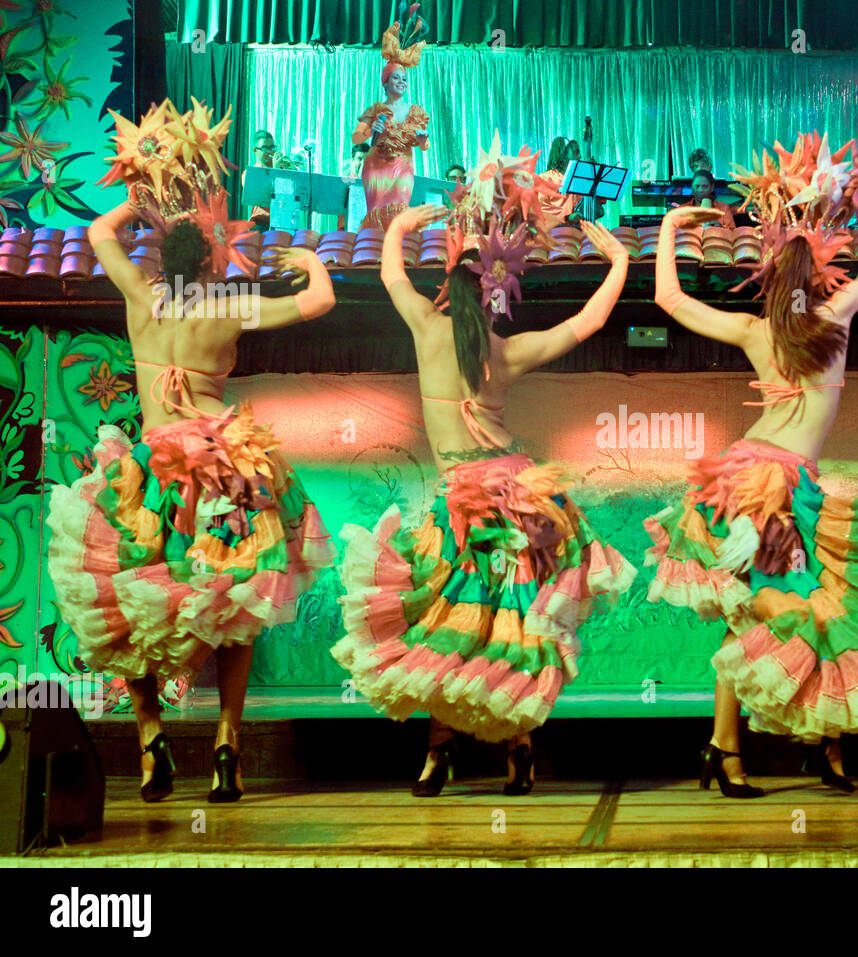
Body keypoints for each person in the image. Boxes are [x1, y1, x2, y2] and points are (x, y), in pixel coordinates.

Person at [646, 134, 858, 797]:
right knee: (805, 606)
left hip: (748, 476)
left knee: (766, 613)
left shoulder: (761, 331)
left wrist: (671, 225)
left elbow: (669, 300)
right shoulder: (836, 315)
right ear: (818, 275)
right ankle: (787, 749)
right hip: (770, 487)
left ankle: (744, 749)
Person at [49, 99, 337, 804]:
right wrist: (303, 261)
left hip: (149, 470)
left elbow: (96, 229)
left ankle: (151, 737)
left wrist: (140, 199)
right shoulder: (226, 305)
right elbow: (320, 302)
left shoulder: (142, 296)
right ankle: (226, 741)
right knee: (238, 602)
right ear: (214, 256)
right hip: (221, 466)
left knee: (129, 597)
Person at [332, 139, 635, 797]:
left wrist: (403, 225)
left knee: (449, 621)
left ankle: (439, 752)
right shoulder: (509, 350)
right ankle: (517, 748)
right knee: (506, 623)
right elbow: (589, 320)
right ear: (496, 295)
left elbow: (389, 277)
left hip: (459, 506)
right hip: (515, 503)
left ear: (445, 288)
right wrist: (618, 261)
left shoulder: (423, 326)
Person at [352, 13, 431, 230]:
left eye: (404, 79)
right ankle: (376, 254)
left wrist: (423, 140)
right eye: (396, 77)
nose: (401, 82)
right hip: (376, 166)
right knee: (377, 217)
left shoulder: (414, 111)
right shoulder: (377, 109)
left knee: (399, 210)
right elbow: (355, 137)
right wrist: (370, 129)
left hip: (402, 165)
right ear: (385, 82)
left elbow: (424, 146)